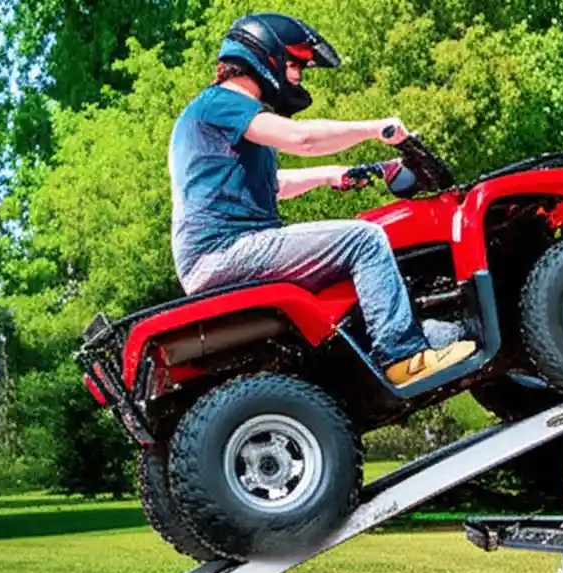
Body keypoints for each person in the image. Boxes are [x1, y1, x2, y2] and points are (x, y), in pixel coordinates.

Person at [168, 12, 475, 387]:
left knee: (350, 260)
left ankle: (414, 335)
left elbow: (273, 184)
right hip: (226, 251)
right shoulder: (223, 101)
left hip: (218, 256)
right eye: (295, 63)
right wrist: (376, 130)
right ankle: (404, 355)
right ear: (267, 56)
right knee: (364, 239)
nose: (297, 75)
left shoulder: (217, 118)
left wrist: (338, 173)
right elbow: (302, 140)